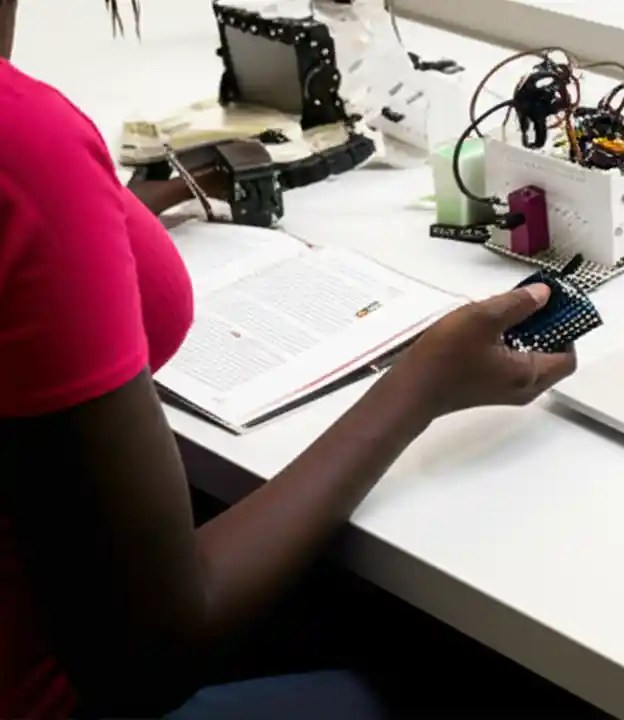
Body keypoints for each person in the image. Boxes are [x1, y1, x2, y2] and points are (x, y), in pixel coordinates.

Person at [0, 0, 577, 717]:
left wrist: (112, 212)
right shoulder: (23, 149)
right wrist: (421, 383)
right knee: (470, 675)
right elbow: (154, 651)